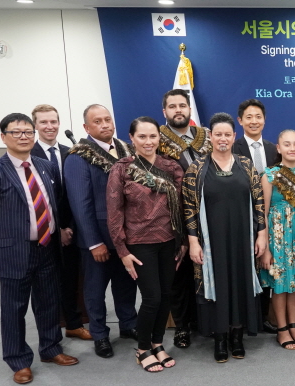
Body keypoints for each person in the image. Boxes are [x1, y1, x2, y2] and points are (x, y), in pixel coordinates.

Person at [0, 113, 78, 384]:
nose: (23, 137)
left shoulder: (45, 166)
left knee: (49, 303)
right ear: (3, 136)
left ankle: (51, 349)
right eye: (16, 132)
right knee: (14, 308)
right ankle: (18, 361)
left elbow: (53, 204)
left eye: (28, 132)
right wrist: (3, 240)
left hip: (47, 248)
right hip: (14, 252)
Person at [183, 112, 268, 362]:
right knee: (217, 285)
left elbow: (259, 202)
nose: (223, 139)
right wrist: (193, 241)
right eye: (218, 134)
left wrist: (261, 234)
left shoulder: (246, 164)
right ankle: (220, 338)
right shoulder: (197, 168)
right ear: (210, 136)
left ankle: (237, 336)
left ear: (234, 137)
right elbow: (188, 208)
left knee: (241, 282)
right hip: (212, 242)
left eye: (227, 135)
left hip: (243, 239)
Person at [107, 116, 185, 371]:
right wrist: (122, 251)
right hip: (139, 243)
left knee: (165, 297)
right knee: (151, 298)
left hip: (169, 241)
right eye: (142, 136)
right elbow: (114, 212)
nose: (148, 141)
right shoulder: (122, 168)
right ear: (132, 138)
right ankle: (142, 348)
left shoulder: (170, 166)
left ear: (159, 137)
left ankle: (157, 342)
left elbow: (184, 207)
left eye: (153, 136)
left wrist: (183, 241)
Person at [65, 104, 138, 358]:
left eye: (108, 119)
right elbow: (80, 203)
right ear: (86, 128)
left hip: (127, 235)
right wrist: (94, 242)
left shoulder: (127, 150)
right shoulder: (78, 156)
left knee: (126, 283)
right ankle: (100, 334)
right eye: (98, 121)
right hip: (98, 238)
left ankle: (129, 324)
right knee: (95, 290)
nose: (105, 124)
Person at [29, 104, 91, 341]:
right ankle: (50, 332)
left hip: (70, 228)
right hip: (42, 231)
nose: (49, 126)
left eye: (53, 121)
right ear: (35, 125)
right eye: (43, 122)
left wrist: (69, 227)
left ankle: (74, 324)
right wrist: (56, 228)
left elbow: (76, 194)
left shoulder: (70, 152)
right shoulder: (30, 154)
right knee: (45, 284)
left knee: (70, 279)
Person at [158, 89, 211, 349]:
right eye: (172, 106)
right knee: (179, 275)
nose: (178, 110)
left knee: (207, 267)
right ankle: (182, 327)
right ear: (164, 111)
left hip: (210, 215)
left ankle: (206, 320)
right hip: (174, 216)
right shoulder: (155, 140)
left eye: (182, 105)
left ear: (189, 109)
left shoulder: (208, 138)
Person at [259, 129, 295, 350]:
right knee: (280, 286)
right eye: (287, 144)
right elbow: (262, 212)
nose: (292, 148)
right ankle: (282, 329)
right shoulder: (269, 175)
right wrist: (265, 248)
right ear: (279, 148)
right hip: (277, 239)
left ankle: (294, 325)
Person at [233, 98, 278, 334]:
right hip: (242, 217)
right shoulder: (232, 149)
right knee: (244, 267)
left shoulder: (274, 149)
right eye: (248, 117)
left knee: (266, 265)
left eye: (258, 117)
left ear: (264, 119)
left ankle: (262, 317)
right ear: (240, 121)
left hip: (270, 218)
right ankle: (243, 318)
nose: (254, 121)